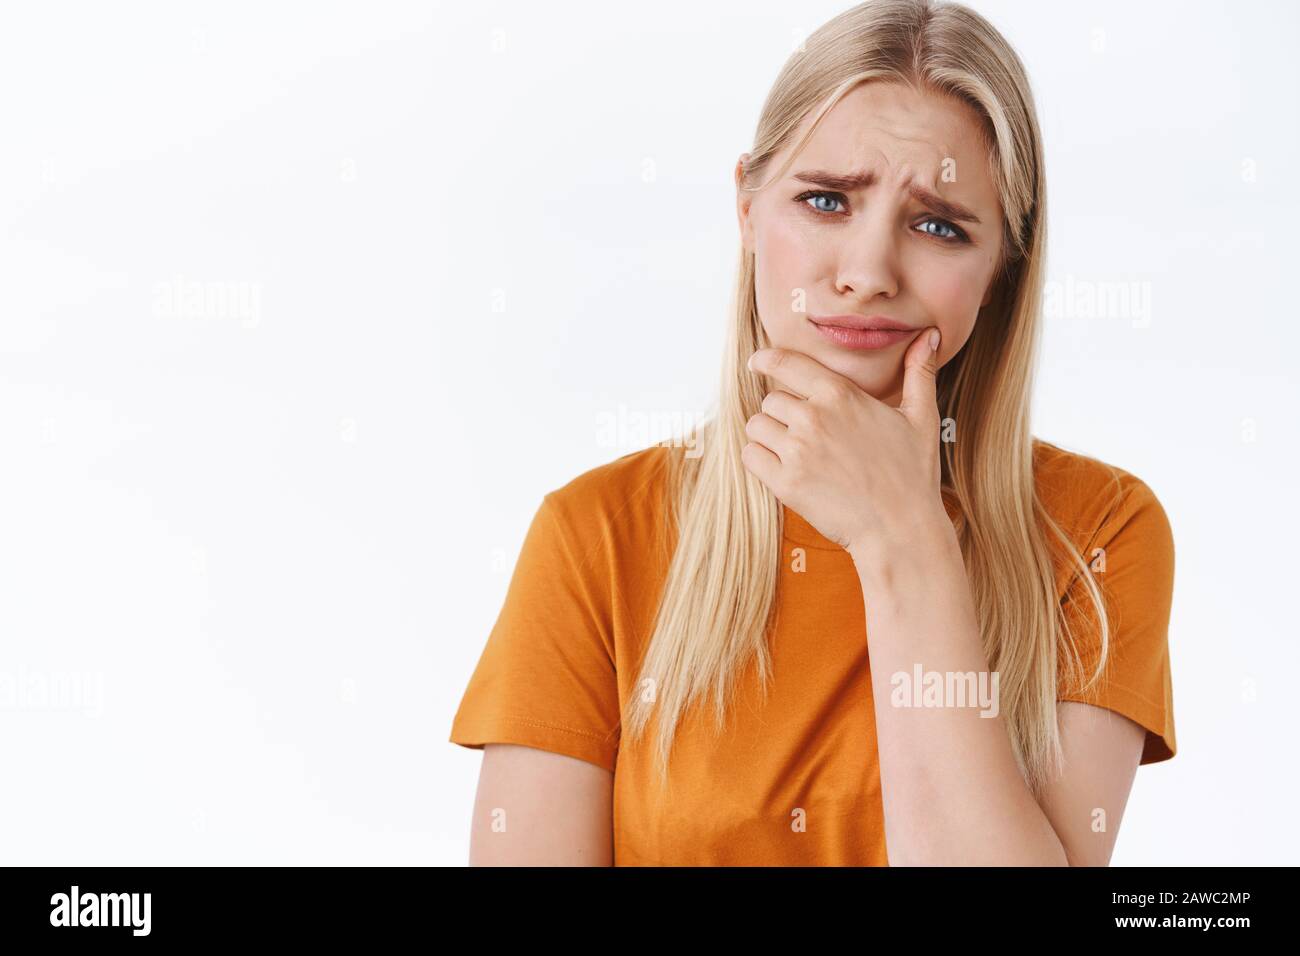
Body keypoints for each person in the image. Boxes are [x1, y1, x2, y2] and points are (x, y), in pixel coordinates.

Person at [449, 0, 1176, 866]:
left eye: (939, 224)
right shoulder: (596, 537)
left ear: (1001, 270)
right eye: (826, 200)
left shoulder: (1097, 536)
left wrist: (902, 537)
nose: (867, 273)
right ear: (749, 211)